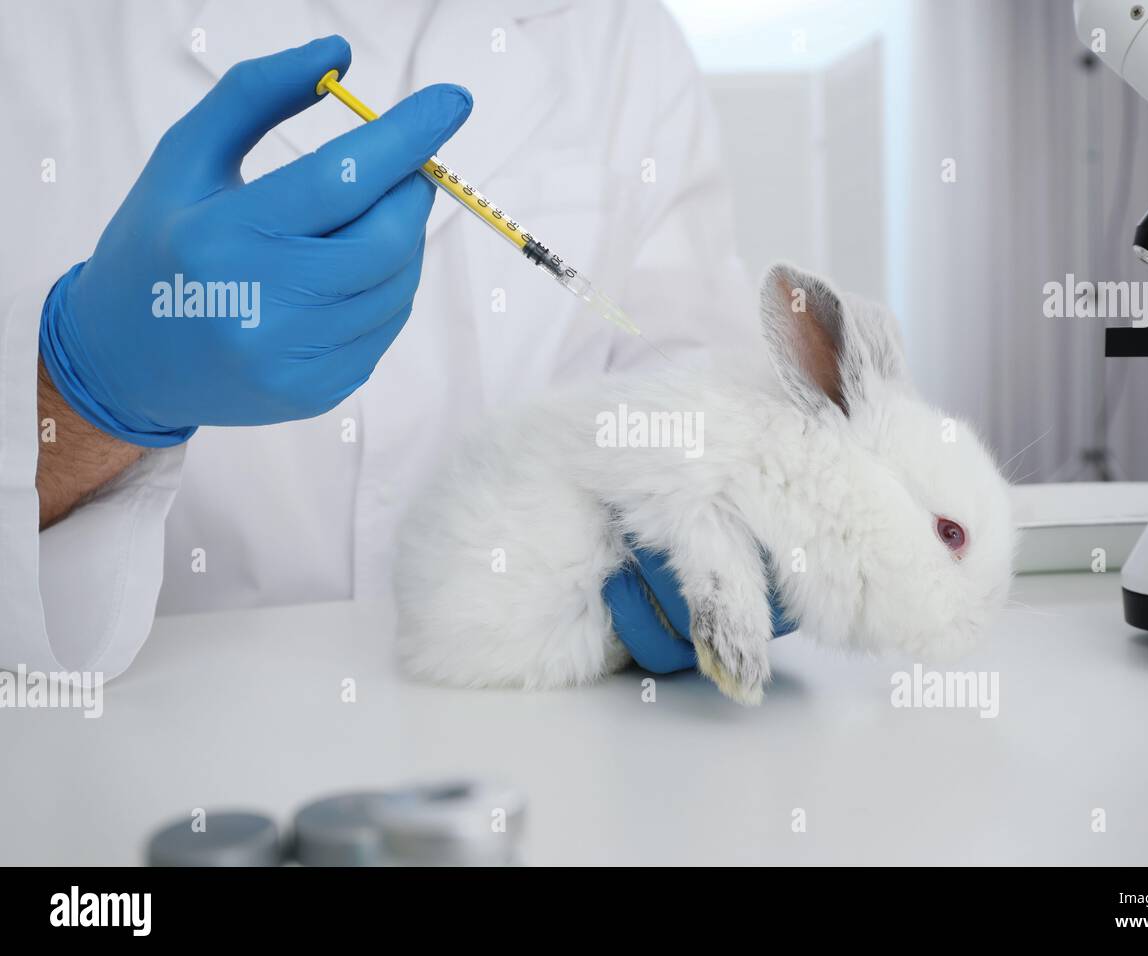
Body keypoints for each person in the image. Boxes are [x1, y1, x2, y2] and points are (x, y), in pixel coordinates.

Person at [1, 0, 783, 681]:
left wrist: (727, 505)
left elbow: (685, 366)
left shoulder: (622, 36)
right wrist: (82, 390)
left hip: (538, 725)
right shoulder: (37, 32)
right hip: (135, 746)